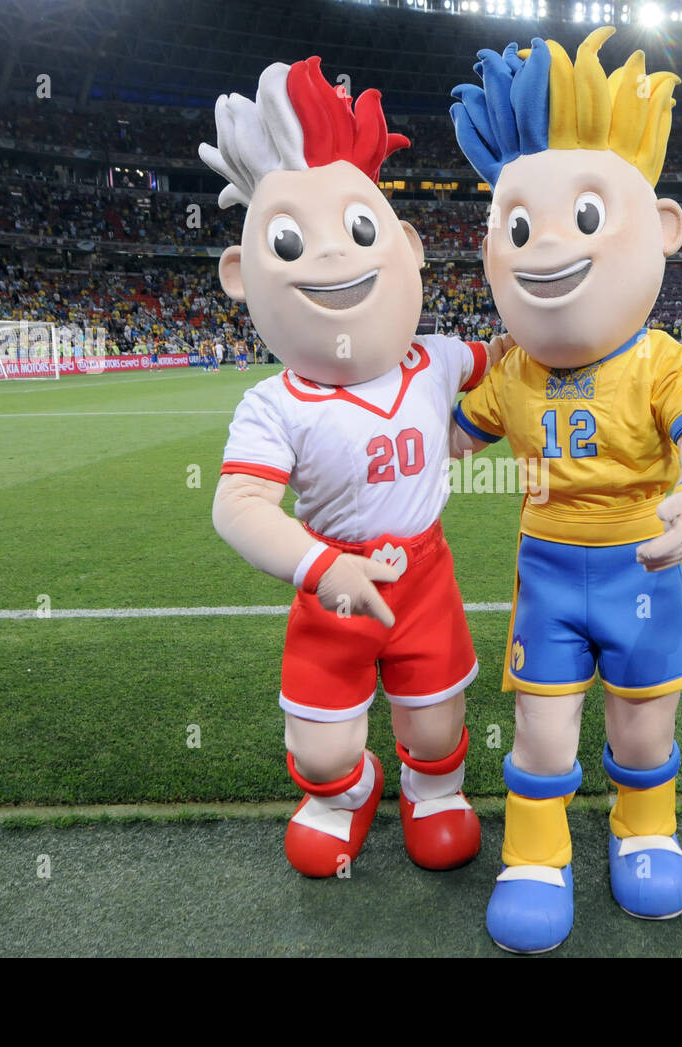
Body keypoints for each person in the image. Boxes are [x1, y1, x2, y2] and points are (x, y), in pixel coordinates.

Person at [450, 27, 682, 952]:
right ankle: (536, 853)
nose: (541, 252)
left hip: (642, 570)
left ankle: (643, 827)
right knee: (542, 733)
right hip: (547, 574)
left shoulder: (662, 362)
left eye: (580, 219)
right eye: (519, 228)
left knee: (645, 729)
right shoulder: (510, 371)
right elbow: (448, 443)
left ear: (661, 231)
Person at [203, 56, 502, 881]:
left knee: (437, 725)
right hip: (331, 584)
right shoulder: (276, 402)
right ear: (242, 274)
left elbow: (512, 363)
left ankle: (431, 786)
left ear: (403, 246)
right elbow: (238, 503)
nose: (333, 257)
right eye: (293, 242)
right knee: (322, 745)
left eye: (361, 232)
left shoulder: (436, 360)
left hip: (423, 574)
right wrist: (320, 563)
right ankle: (346, 789)